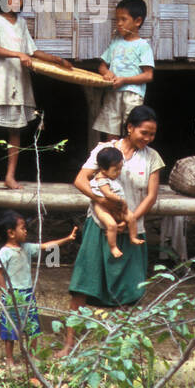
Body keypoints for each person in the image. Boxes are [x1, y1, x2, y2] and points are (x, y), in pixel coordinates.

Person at [58, 105, 165, 356]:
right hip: (99, 225)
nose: (148, 138)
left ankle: (121, 351)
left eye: (152, 134)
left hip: (132, 230)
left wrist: (129, 221)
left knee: (129, 291)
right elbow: (80, 180)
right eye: (144, 132)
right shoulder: (105, 150)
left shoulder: (152, 158)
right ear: (129, 127)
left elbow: (150, 197)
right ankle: (69, 345)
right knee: (82, 286)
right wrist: (101, 200)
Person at [0, 0, 72, 189]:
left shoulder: (21, 23)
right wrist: (18, 55)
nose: (14, 1)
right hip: (1, 83)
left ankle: (10, 177)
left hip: (20, 84)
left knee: (15, 131)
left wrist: (58, 59)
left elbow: (31, 50)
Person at [0, 210, 78, 365]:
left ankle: (31, 356)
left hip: (27, 294)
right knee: (10, 328)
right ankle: (10, 359)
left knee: (33, 327)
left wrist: (67, 238)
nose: (26, 231)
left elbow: (46, 246)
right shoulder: (4, 252)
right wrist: (6, 292)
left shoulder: (26, 248)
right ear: (11, 233)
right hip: (13, 295)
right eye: (23, 228)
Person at [92, 0, 154, 140]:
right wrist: (107, 73)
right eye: (117, 20)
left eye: (123, 19)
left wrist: (124, 80)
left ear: (137, 21)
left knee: (132, 130)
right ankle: (112, 159)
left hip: (132, 95)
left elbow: (148, 75)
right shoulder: (115, 43)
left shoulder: (142, 46)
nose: (119, 23)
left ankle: (129, 160)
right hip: (112, 93)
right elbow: (102, 66)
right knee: (110, 128)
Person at [87, 145, 141, 259]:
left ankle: (133, 237)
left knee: (131, 218)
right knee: (111, 225)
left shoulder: (111, 177)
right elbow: (107, 194)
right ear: (103, 169)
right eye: (115, 170)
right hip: (102, 207)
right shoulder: (101, 179)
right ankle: (113, 247)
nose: (118, 172)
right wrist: (122, 201)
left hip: (115, 205)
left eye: (120, 168)